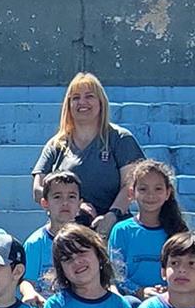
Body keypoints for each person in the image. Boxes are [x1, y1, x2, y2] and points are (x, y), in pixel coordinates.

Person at [28, 72, 145, 226]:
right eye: (75, 98)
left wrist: (111, 216)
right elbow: (38, 190)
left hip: (113, 228)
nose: (82, 102)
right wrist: (74, 204)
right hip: (68, 231)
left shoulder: (120, 139)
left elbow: (130, 185)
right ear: (68, 105)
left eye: (89, 96)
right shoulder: (56, 144)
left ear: (101, 102)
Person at [108, 160, 188, 300]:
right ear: (132, 193)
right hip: (133, 299)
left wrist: (168, 289)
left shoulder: (177, 231)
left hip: (170, 297)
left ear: (168, 193)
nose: (151, 195)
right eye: (143, 189)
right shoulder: (122, 231)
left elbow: (185, 269)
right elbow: (116, 275)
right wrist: (139, 291)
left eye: (158, 189)